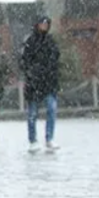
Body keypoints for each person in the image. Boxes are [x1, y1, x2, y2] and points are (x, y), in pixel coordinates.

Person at [20, 16, 60, 153]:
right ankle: (33, 140)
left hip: (49, 83)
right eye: (42, 24)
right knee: (32, 114)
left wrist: (51, 73)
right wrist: (32, 73)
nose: (44, 26)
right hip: (34, 84)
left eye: (46, 24)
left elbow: (56, 59)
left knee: (51, 109)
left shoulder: (50, 41)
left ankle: (49, 139)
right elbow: (24, 62)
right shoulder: (30, 42)